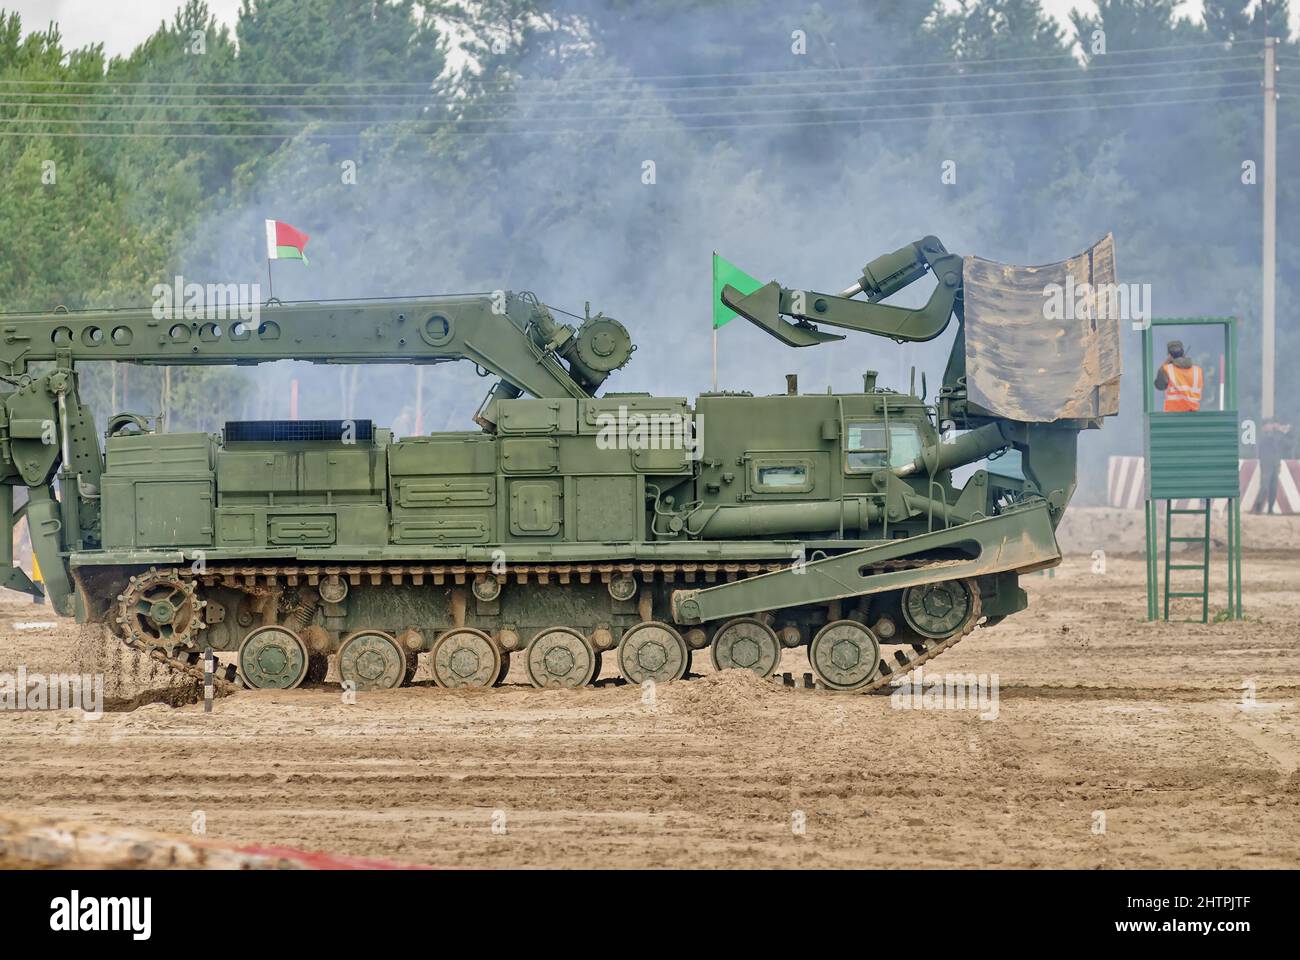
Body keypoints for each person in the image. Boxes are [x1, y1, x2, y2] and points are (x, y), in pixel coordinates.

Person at [1253, 418, 1293, 515]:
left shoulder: (1275, 435)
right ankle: (1258, 508)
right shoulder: (1262, 435)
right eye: (1268, 424)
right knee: (1264, 486)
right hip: (1266, 464)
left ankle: (1270, 508)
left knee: (1273, 488)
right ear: (1264, 427)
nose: (1270, 426)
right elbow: (1267, 441)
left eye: (1271, 424)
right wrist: (1278, 429)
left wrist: (1282, 431)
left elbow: (1287, 444)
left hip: (1275, 464)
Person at [1153, 340, 1203, 412]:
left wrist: (1165, 363)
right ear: (1183, 354)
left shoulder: (1167, 369)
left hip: (1173, 415)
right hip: (1193, 413)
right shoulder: (1197, 370)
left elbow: (1160, 386)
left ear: (1169, 355)